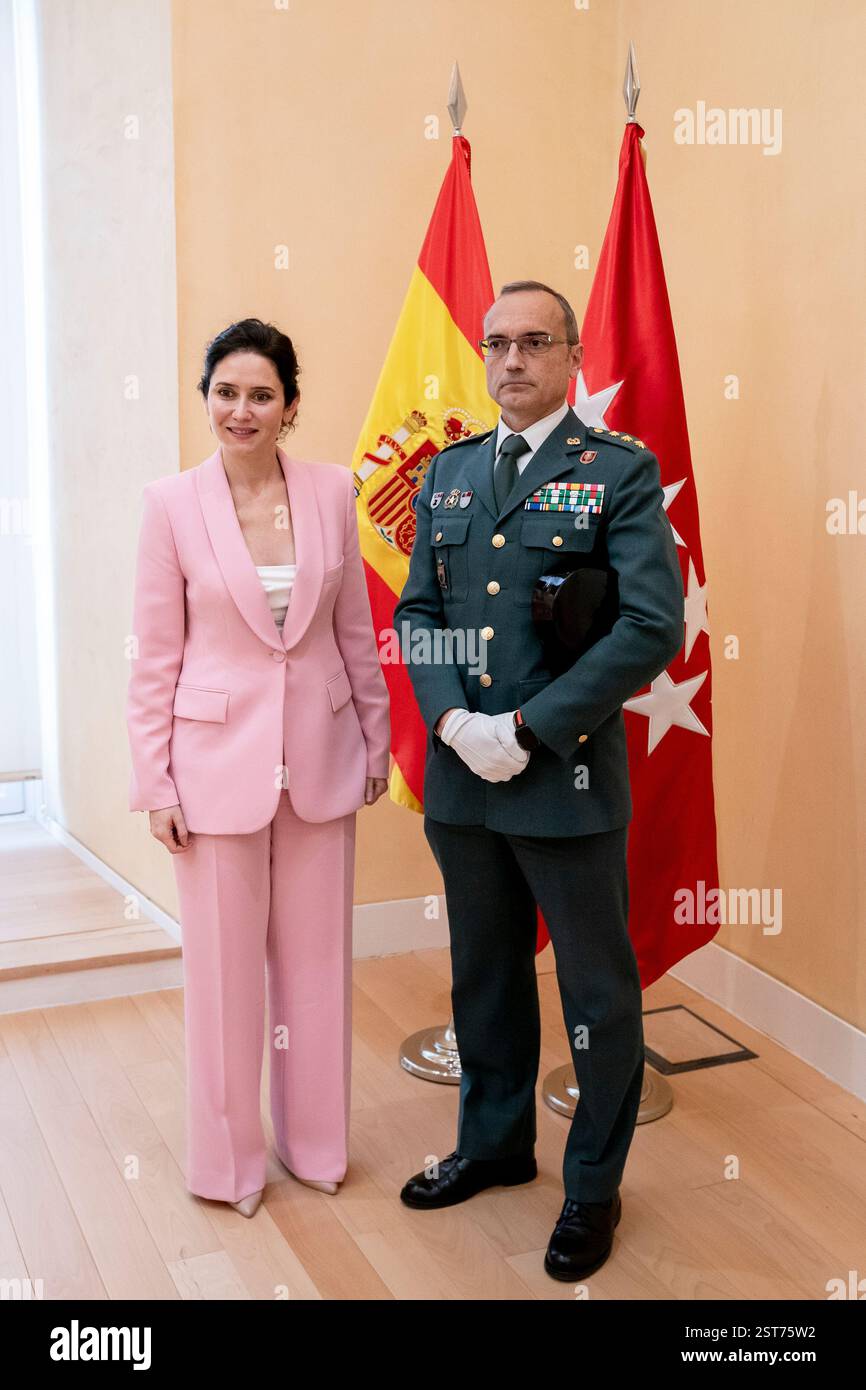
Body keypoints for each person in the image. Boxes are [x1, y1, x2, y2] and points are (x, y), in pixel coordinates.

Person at [393, 281, 684, 1280]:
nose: (510, 359)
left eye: (532, 342)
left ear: (568, 357)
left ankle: (591, 1188)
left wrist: (528, 727)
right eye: (496, 343)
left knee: (596, 992)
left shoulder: (616, 473)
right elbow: (417, 611)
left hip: (559, 780)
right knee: (484, 973)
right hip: (462, 782)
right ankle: (493, 1143)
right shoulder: (451, 472)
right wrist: (451, 721)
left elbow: (651, 626)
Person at [126, 318, 390, 1217]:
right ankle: (229, 1166)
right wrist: (154, 782)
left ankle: (316, 1148)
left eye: (261, 394)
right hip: (210, 774)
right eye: (226, 392)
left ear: (291, 406)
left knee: (317, 970)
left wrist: (377, 738)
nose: (241, 409)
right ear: (207, 398)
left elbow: (355, 631)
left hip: (321, 760)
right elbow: (154, 658)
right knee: (225, 979)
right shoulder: (169, 503)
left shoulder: (331, 493)